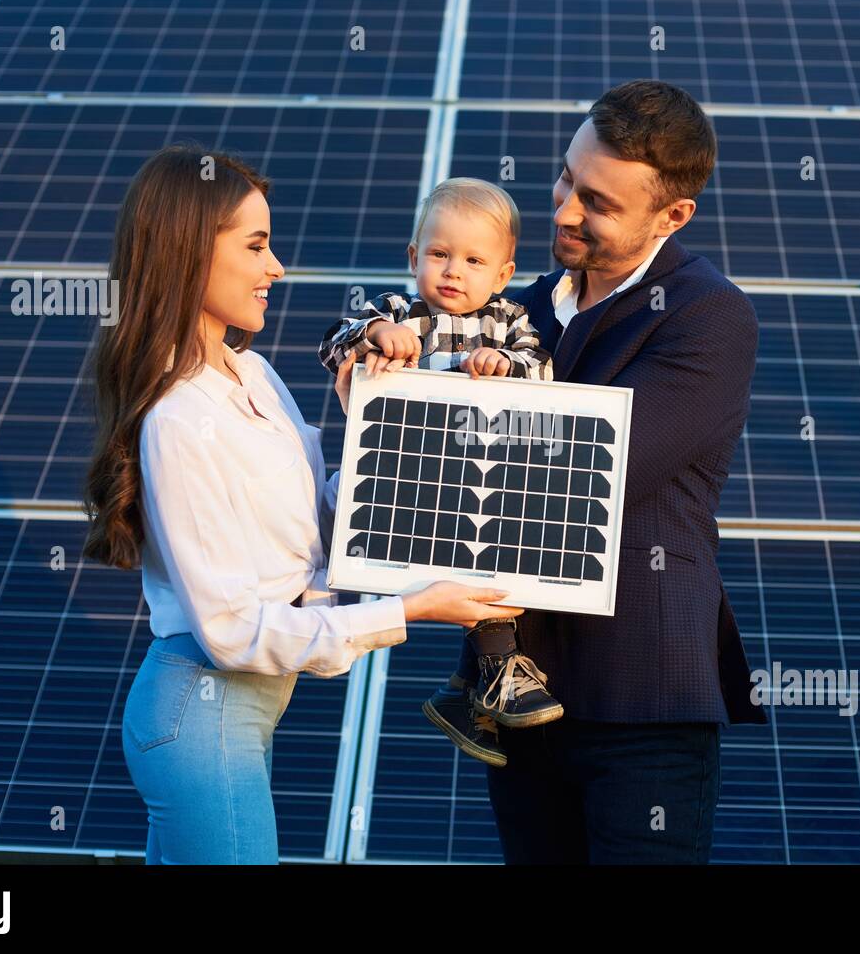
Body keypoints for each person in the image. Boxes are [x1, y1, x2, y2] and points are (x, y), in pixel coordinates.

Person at [80, 143, 522, 864]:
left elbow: (322, 518)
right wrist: (411, 609)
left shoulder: (250, 373)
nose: (276, 267)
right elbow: (229, 630)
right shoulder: (178, 419)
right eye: (256, 245)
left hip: (239, 713)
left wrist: (377, 419)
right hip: (201, 709)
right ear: (190, 253)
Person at [442, 80, 768, 863]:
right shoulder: (519, 309)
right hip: (517, 699)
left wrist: (454, 428)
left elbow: (592, 468)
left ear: (673, 216)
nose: (561, 210)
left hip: (641, 704)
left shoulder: (709, 316)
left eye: (597, 202)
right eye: (564, 177)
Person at [318, 178, 562, 768]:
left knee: (497, 566)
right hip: (414, 474)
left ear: (502, 275)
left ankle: (475, 695)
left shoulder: (509, 321)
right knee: (462, 574)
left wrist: (503, 362)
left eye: (473, 260)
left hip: (487, 469)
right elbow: (333, 343)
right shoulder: (403, 314)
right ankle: (489, 679)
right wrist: (375, 334)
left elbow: (540, 369)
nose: (453, 271)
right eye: (438, 254)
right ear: (413, 257)